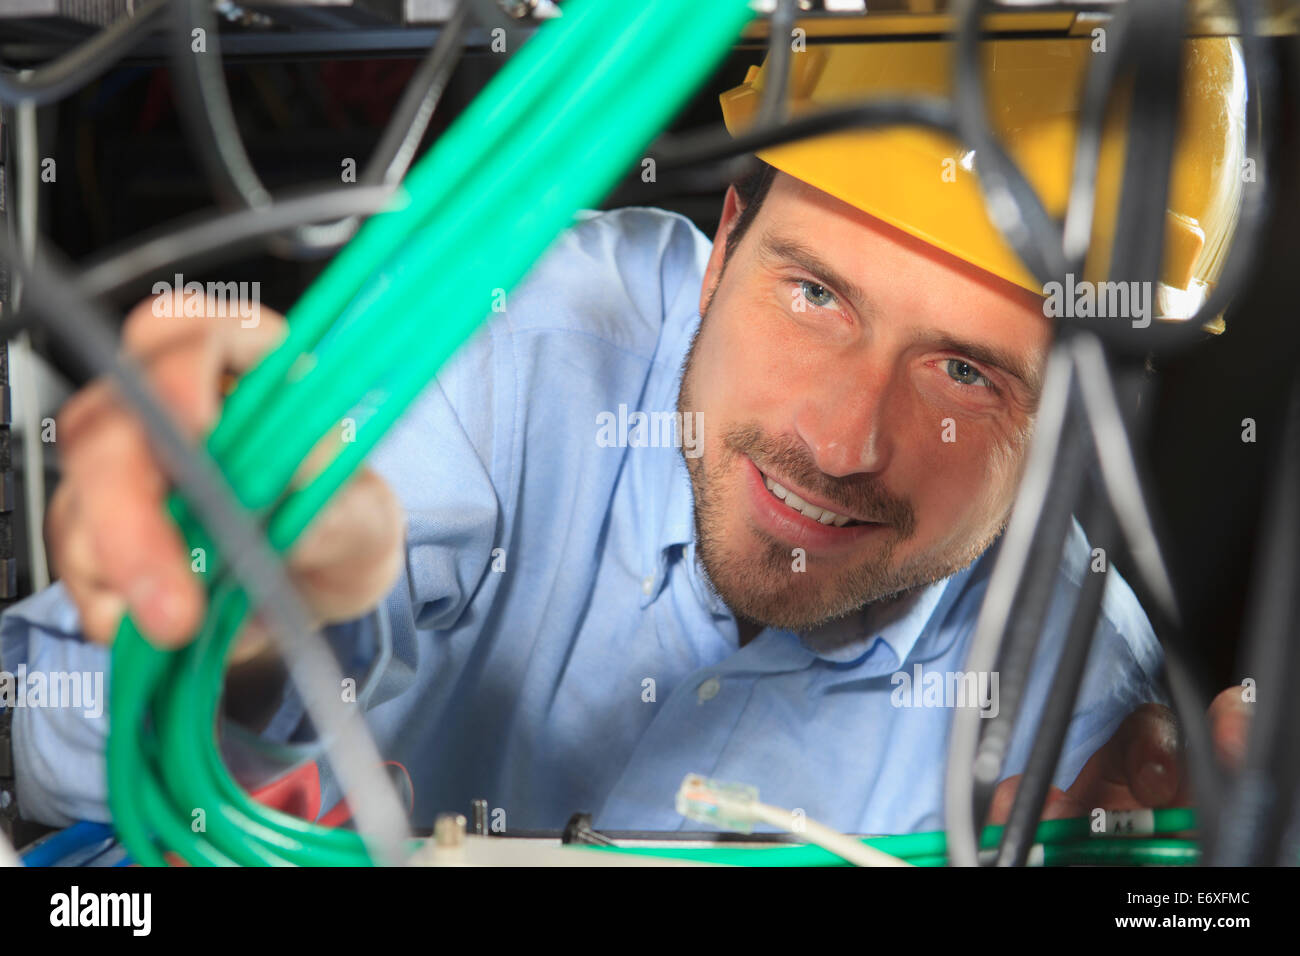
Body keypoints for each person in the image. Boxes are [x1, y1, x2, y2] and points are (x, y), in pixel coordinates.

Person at [0, 35, 1253, 837]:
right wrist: (231, 624)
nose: (839, 441)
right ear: (721, 247)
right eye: (814, 295)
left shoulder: (1069, 696)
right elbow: (52, 755)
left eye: (965, 373)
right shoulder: (512, 336)